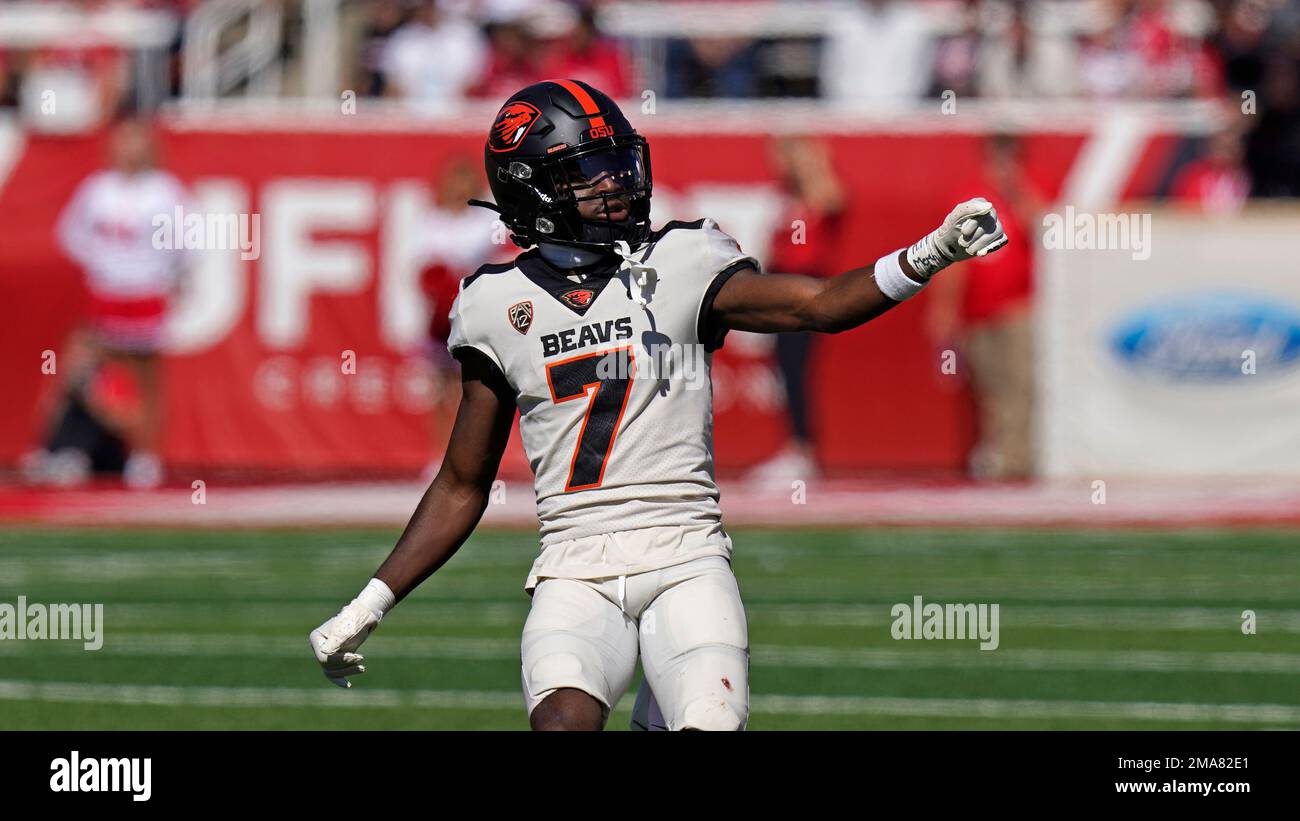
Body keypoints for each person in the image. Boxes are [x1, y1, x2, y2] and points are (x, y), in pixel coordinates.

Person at [310, 79, 1007, 730]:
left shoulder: (682, 259)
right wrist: (370, 602)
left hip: (687, 556)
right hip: (575, 564)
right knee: (563, 722)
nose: (615, 180)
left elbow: (818, 305)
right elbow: (464, 481)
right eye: (588, 170)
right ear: (534, 190)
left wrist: (928, 253)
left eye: (617, 161)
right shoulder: (495, 303)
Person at [45, 117, 191, 489]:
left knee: (146, 378)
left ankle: (146, 457)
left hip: (144, 293)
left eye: (136, 142)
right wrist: (101, 262)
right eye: (123, 141)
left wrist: (167, 274)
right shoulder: (98, 189)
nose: (129, 150)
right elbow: (70, 233)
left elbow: (189, 243)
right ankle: (73, 448)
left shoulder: (165, 192)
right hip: (106, 293)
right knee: (91, 374)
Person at [926, 133, 1042, 481]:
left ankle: (1017, 459)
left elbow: (1044, 230)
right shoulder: (969, 197)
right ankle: (999, 452)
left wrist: (1016, 192)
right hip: (978, 310)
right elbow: (952, 258)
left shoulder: (1026, 192)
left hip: (1018, 307)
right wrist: (944, 309)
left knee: (1020, 384)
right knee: (989, 388)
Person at [748, 136, 846, 483]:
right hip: (780, 287)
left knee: (796, 370)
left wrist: (809, 157)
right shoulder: (786, 198)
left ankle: (802, 450)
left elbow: (832, 199)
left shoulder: (817, 194)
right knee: (785, 371)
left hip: (804, 289)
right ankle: (795, 446)